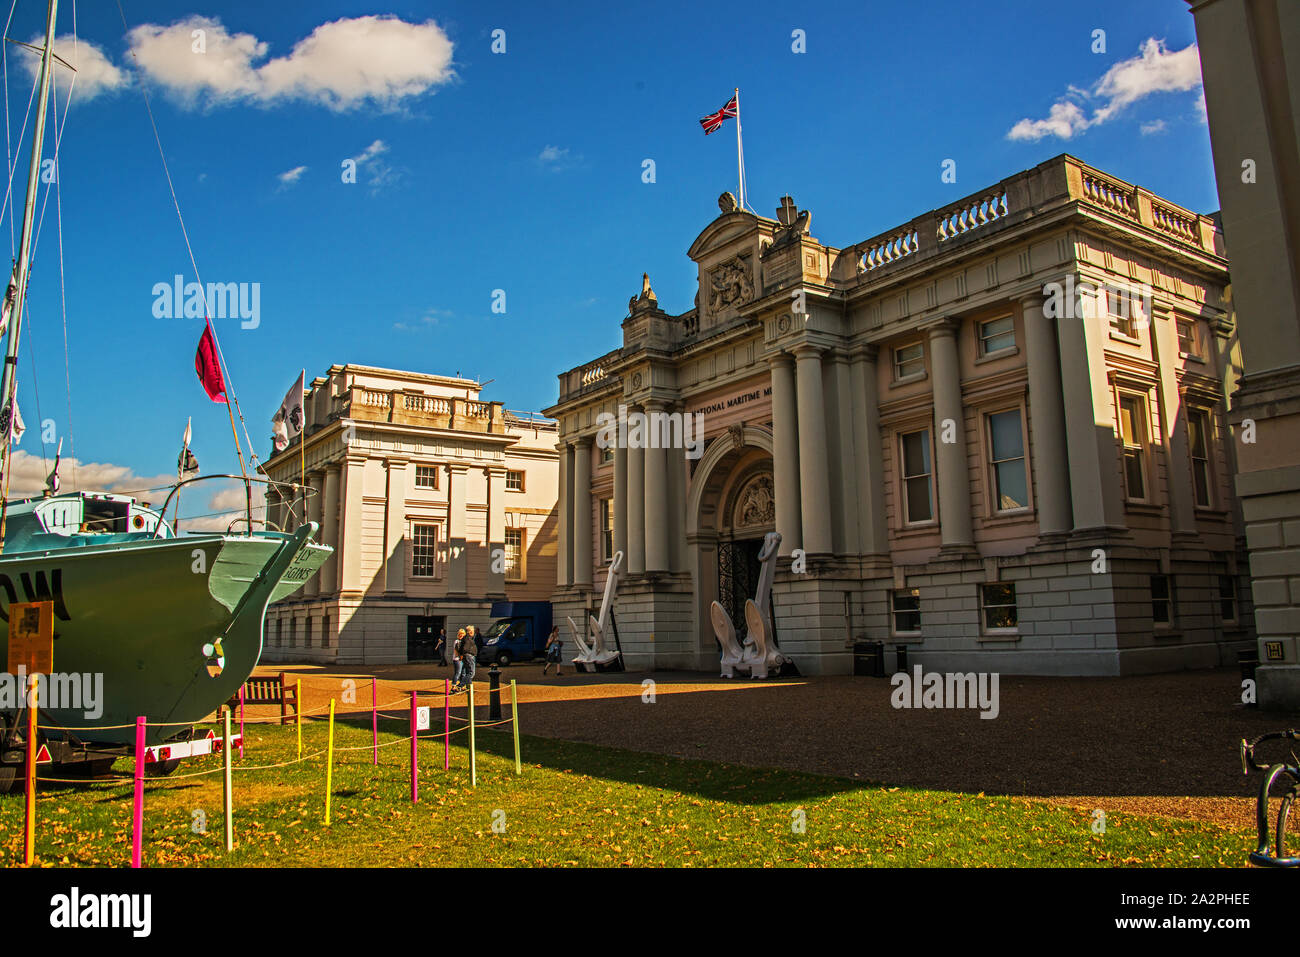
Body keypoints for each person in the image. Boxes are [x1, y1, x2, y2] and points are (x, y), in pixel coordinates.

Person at [459, 625, 478, 691]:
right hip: (469, 656)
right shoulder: (468, 638)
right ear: (470, 631)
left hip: (467, 656)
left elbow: (461, 648)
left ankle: (469, 688)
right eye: (473, 631)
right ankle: (460, 685)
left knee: (468, 672)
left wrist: (462, 654)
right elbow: (465, 648)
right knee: (471, 673)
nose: (474, 632)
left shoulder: (466, 638)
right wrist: (467, 653)